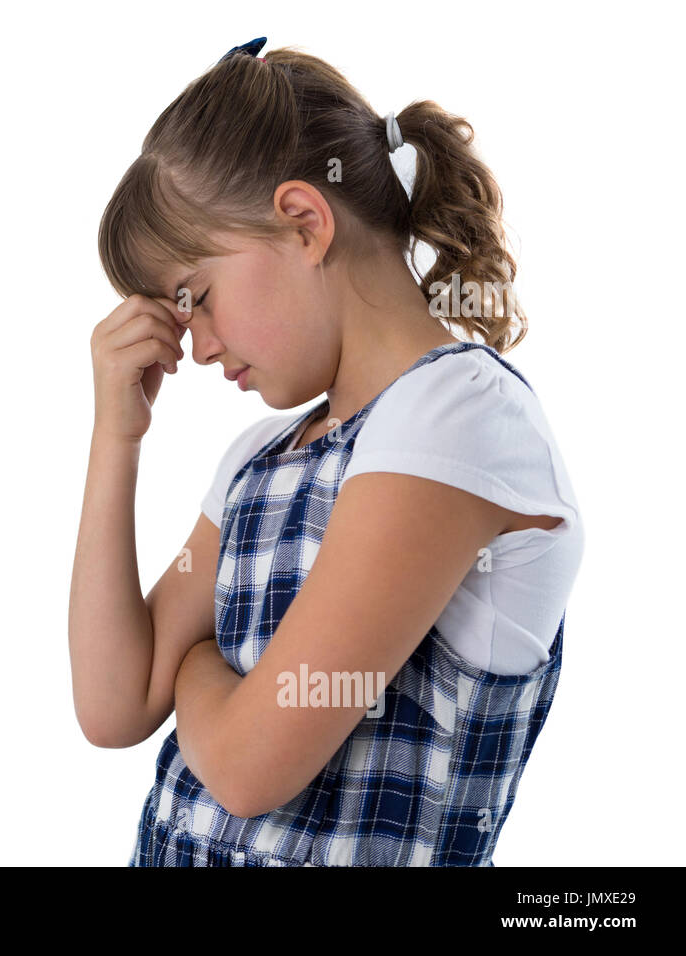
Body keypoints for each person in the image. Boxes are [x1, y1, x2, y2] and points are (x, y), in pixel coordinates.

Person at [67, 38, 583, 866]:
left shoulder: (453, 417)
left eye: (192, 298)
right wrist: (114, 438)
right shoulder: (256, 460)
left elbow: (244, 767)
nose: (191, 347)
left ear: (305, 222)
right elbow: (114, 704)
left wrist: (196, 664)